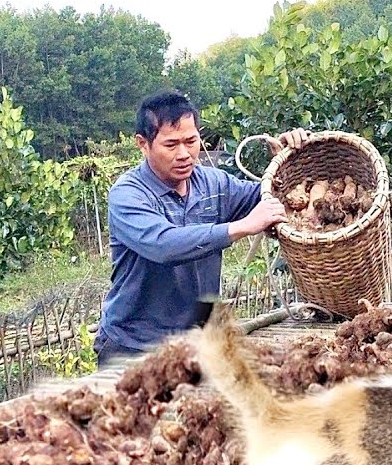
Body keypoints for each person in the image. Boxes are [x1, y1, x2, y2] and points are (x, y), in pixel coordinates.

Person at [93, 90, 308, 364]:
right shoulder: (128, 194)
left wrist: (287, 162)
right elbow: (164, 245)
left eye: (191, 141)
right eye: (171, 145)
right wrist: (240, 227)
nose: (184, 154)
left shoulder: (215, 184)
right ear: (143, 144)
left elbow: (271, 196)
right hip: (133, 348)